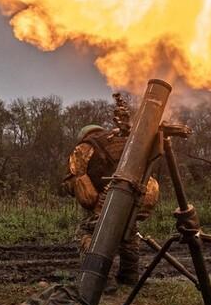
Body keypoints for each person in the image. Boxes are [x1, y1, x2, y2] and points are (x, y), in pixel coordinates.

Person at [60, 111, 160, 289]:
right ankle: (129, 279)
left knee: (89, 234)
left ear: (84, 136)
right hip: (137, 197)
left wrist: (89, 200)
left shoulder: (85, 147)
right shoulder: (124, 142)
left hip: (106, 198)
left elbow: (79, 180)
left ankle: (103, 279)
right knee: (128, 234)